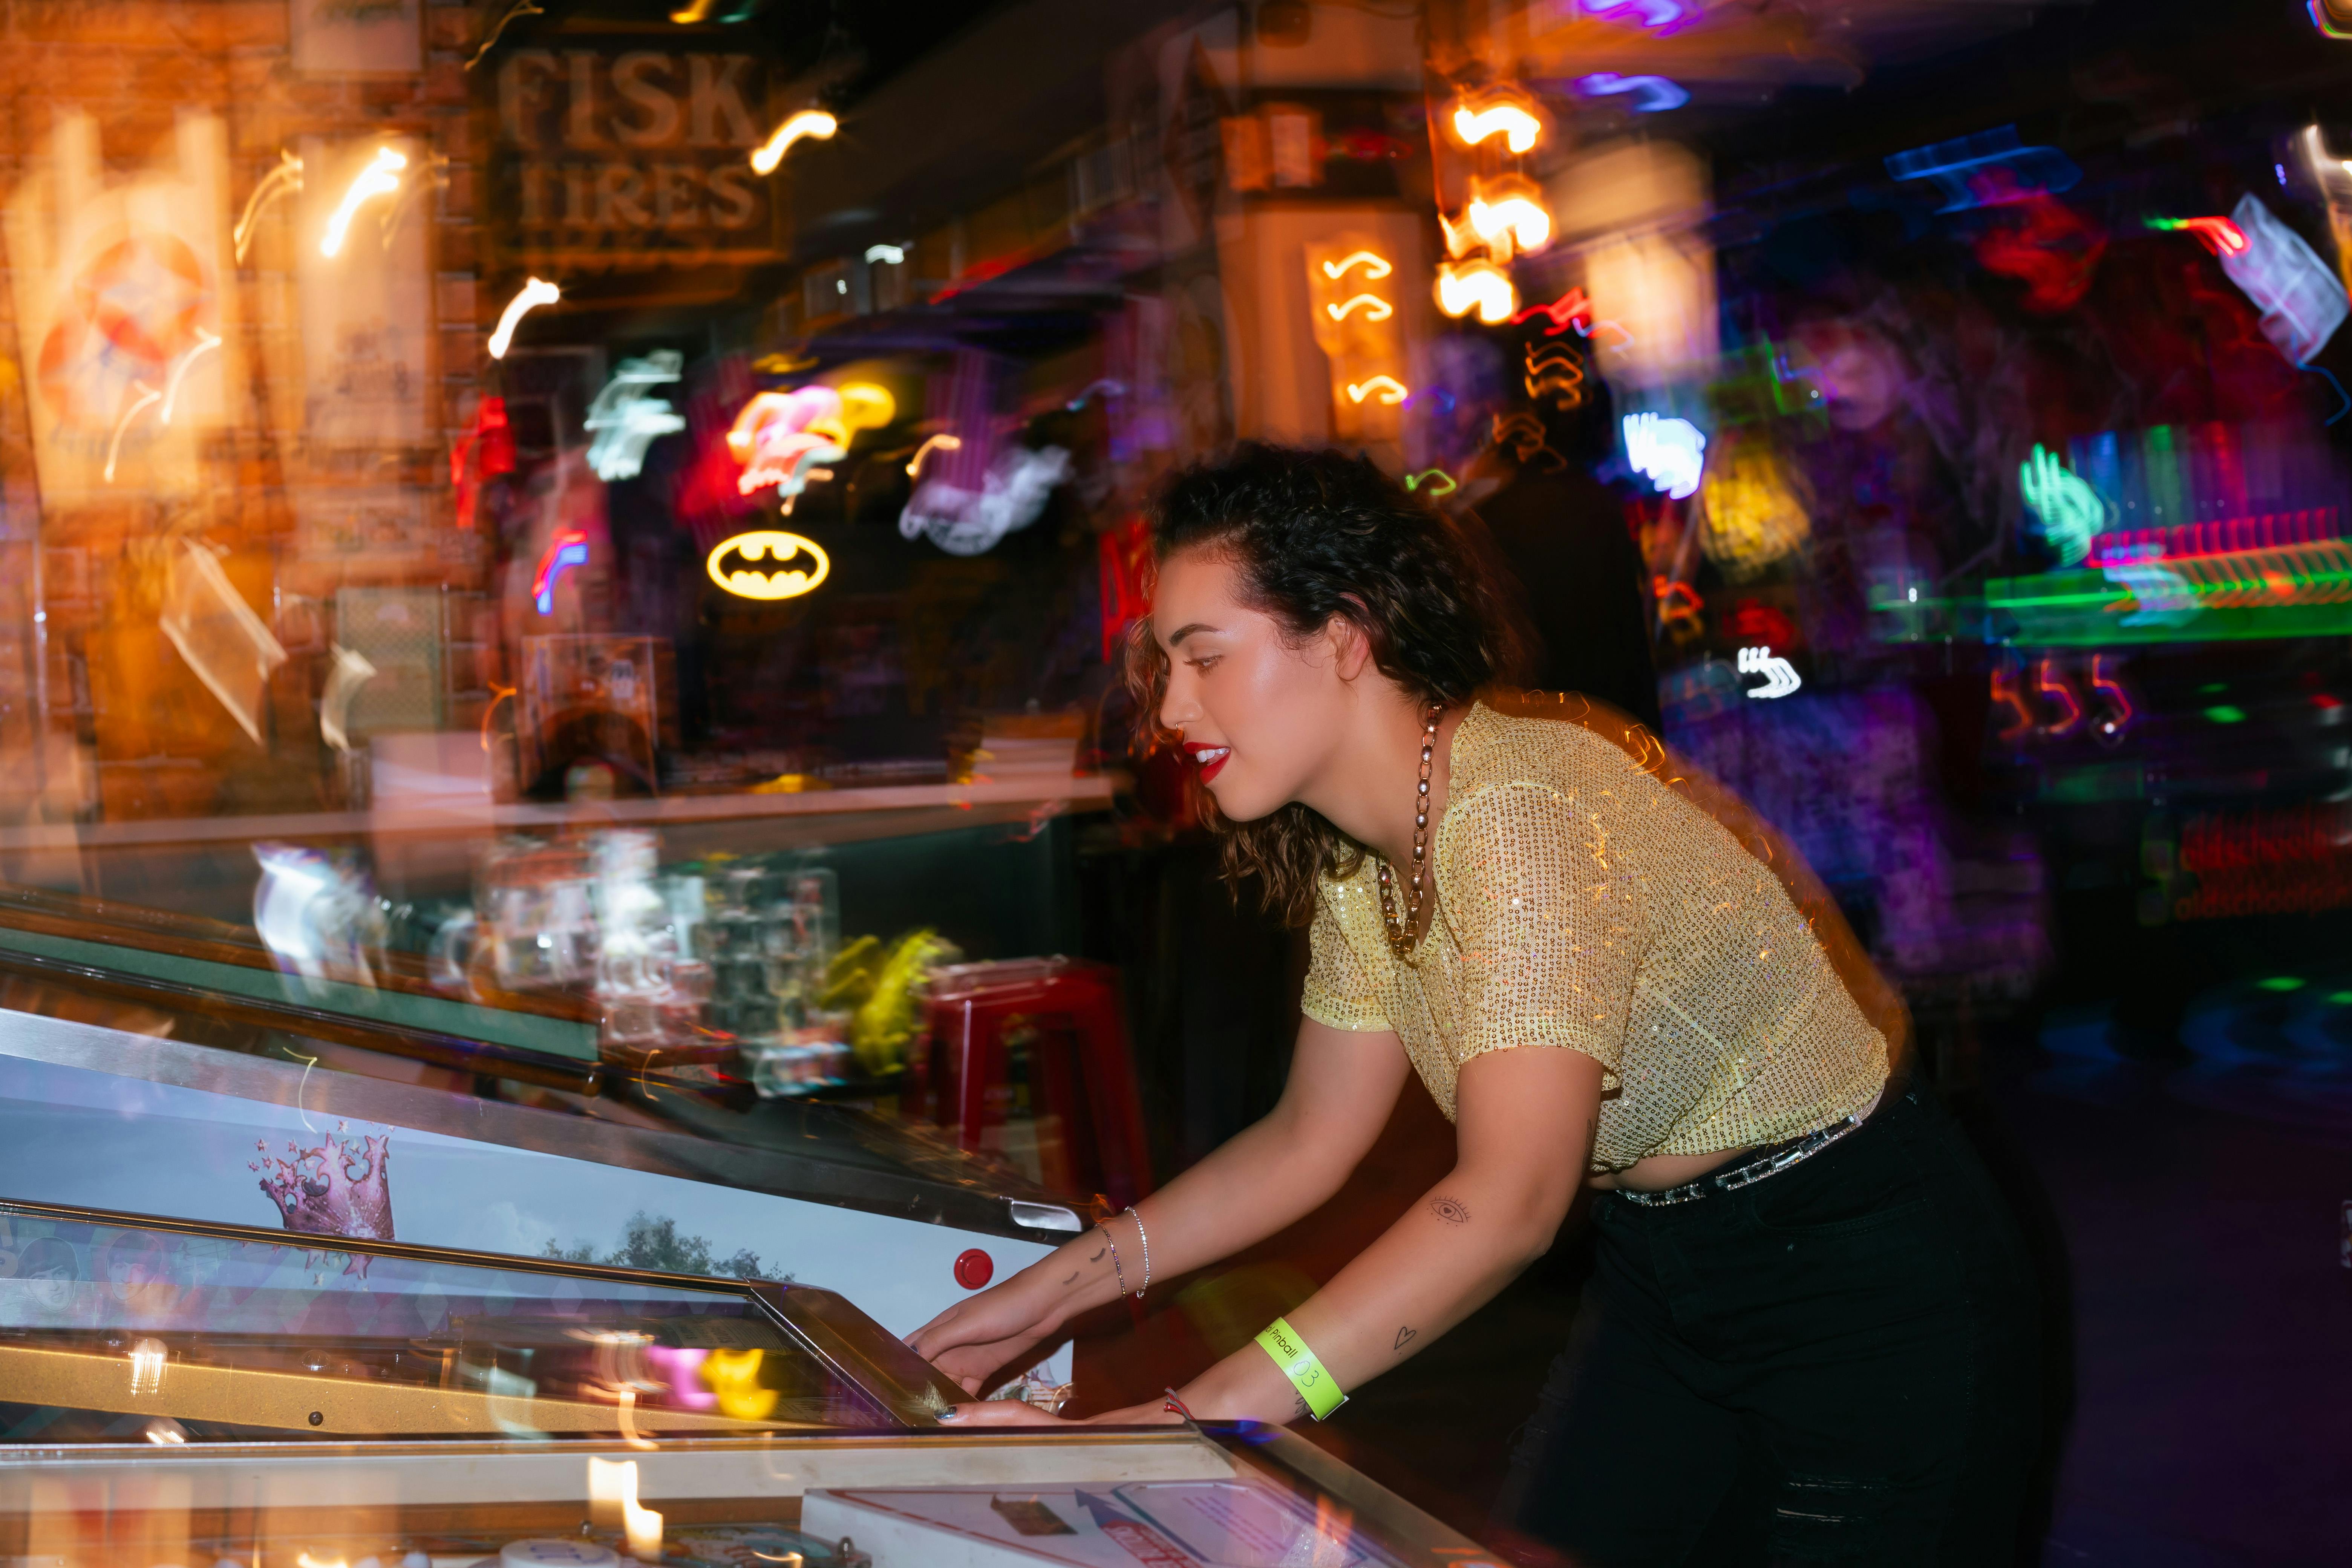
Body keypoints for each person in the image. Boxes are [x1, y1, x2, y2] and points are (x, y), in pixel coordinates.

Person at [911, 443, 2039, 1565]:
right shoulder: (1370, 854)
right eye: (1163, 665)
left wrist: (1185, 1425)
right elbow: (1308, 1144)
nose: (1169, 708)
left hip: (1870, 1281)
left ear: (1347, 635)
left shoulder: (1516, 816)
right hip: (1669, 1270)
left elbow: (1506, 1205)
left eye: (1205, 659)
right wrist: (1046, 1298)